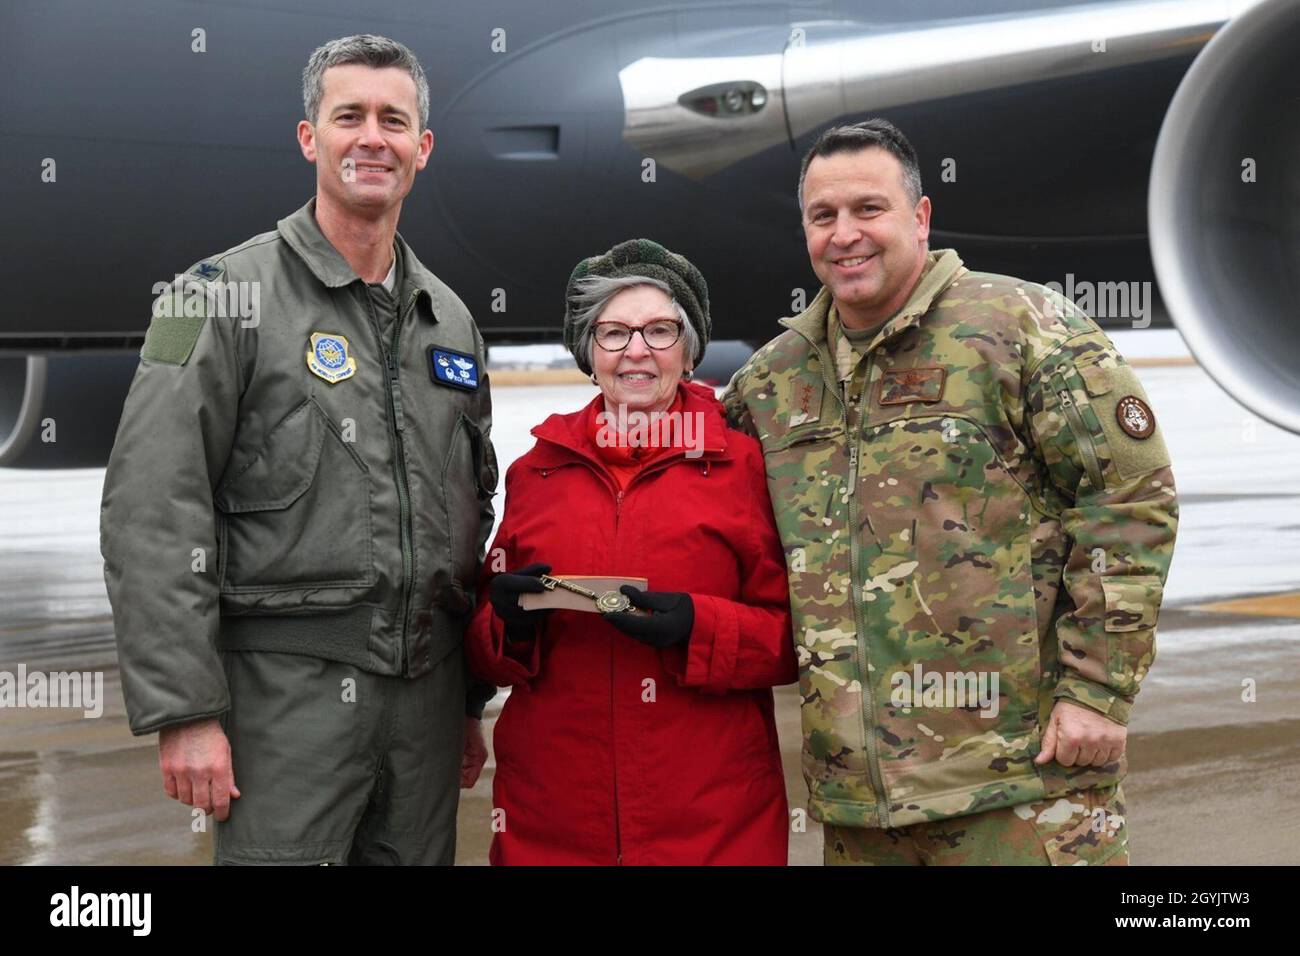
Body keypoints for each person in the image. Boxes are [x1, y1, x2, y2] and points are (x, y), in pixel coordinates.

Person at [722, 119, 1179, 865]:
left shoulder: (1024, 329)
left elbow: (1130, 503)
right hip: (860, 807)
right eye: (822, 216)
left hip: (1020, 786)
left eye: (869, 209)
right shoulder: (774, 381)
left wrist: (1097, 691)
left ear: (920, 217)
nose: (846, 235)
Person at [100, 34, 497, 865]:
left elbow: (467, 515)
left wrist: (466, 703)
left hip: (424, 705)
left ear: (422, 148)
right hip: (286, 702)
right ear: (308, 137)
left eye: (394, 120)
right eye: (347, 115)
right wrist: (185, 711)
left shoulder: (450, 319)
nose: (371, 138)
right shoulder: (208, 297)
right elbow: (152, 508)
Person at [466, 239, 797, 865]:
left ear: (690, 348)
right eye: (613, 333)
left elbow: (798, 638)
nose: (637, 351)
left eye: (660, 330)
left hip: (712, 827)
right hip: (552, 825)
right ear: (588, 352)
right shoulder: (534, 473)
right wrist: (504, 626)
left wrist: (700, 628)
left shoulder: (747, 467)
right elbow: (483, 651)